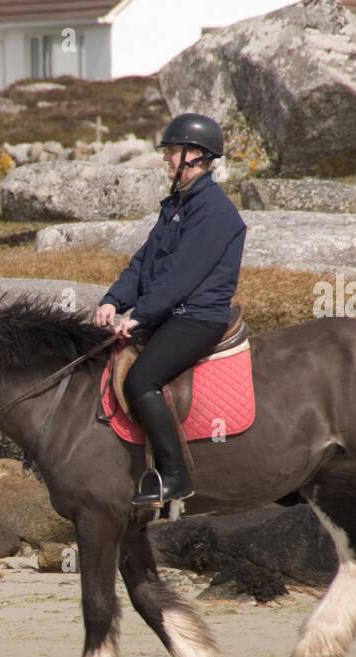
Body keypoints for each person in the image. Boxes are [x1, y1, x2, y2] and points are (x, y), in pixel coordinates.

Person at [93, 112, 246, 508]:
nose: (166, 160)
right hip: (169, 312)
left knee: (141, 379)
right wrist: (112, 300)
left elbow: (181, 278)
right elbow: (144, 263)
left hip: (198, 317)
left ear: (195, 156)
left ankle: (174, 477)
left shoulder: (213, 210)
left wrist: (139, 315)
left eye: (173, 152)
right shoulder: (177, 205)